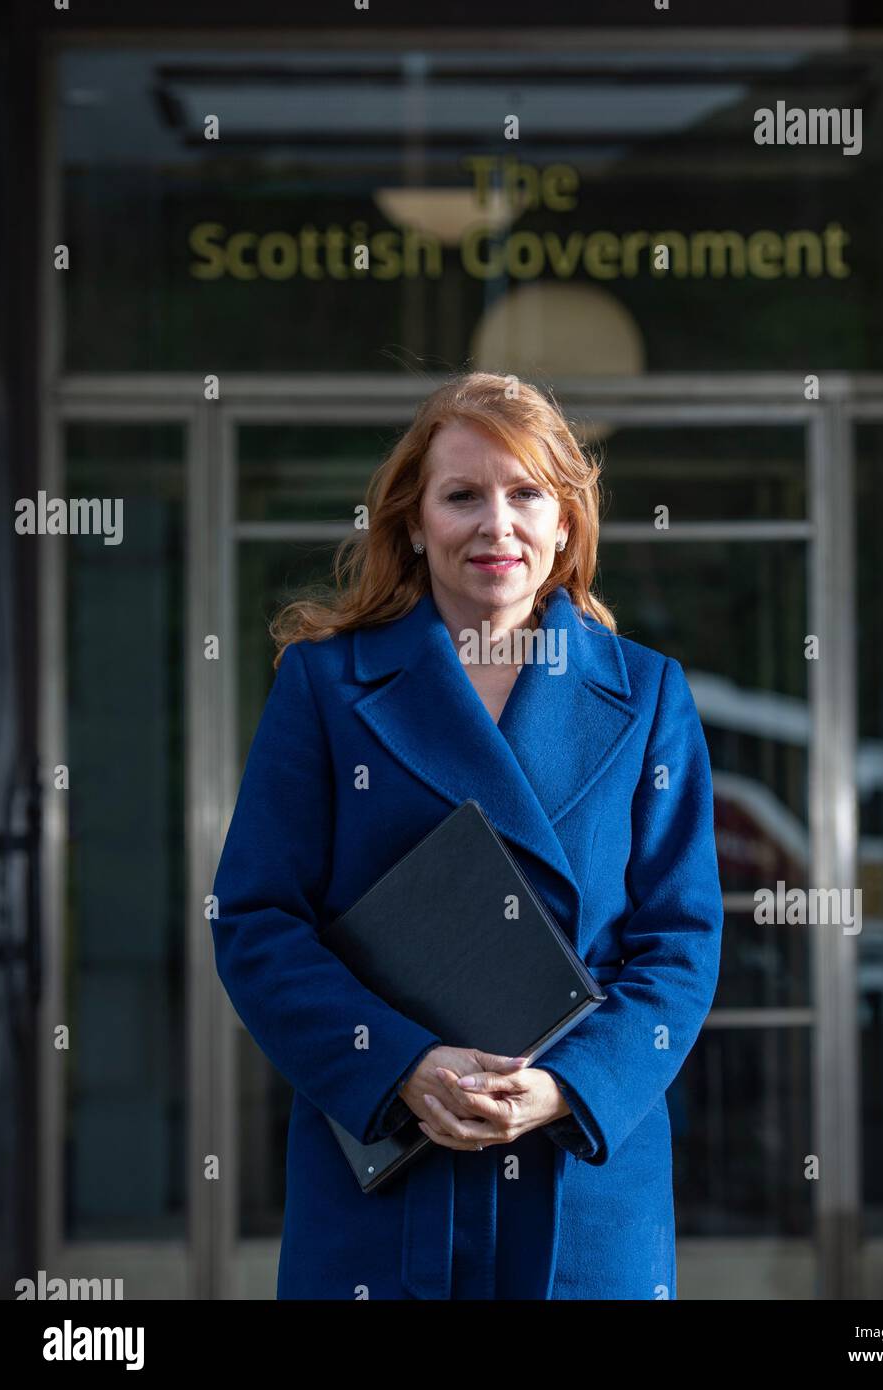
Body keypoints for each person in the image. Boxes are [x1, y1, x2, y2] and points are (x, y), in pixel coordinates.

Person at [210, 371, 723, 1299]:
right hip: (390, 1173)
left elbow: (681, 941)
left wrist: (571, 1085)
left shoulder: (649, 695)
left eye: (526, 493)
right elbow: (255, 919)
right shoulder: (324, 687)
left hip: (582, 1175)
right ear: (412, 521)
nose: (498, 525)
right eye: (462, 495)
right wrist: (401, 1064)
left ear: (565, 521)